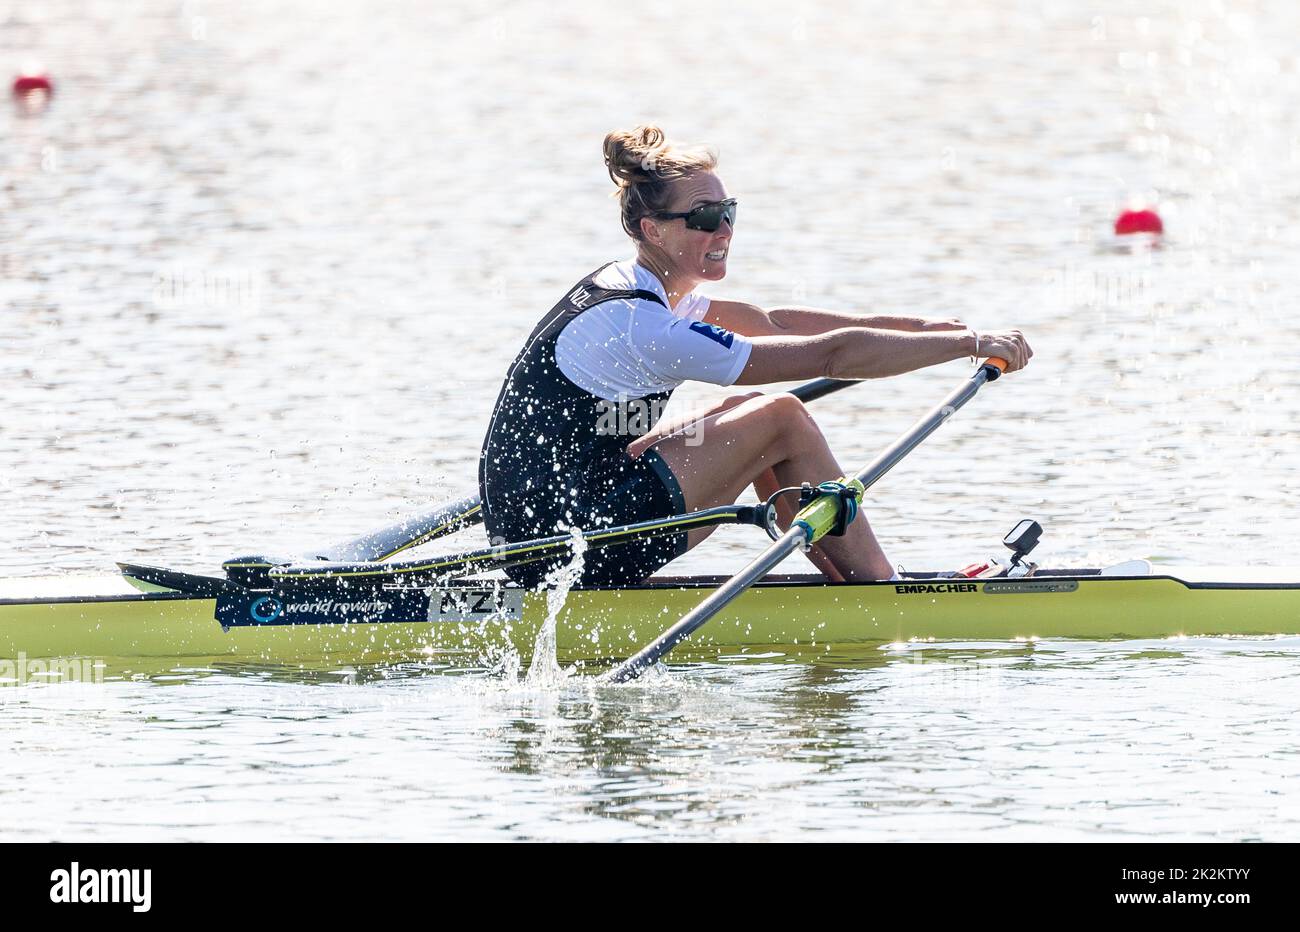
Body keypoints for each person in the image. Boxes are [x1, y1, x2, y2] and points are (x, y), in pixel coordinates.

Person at [479, 125, 1031, 588]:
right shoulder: (643, 324)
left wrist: (921, 328)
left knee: (748, 407)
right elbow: (832, 356)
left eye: (728, 211)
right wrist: (967, 346)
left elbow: (775, 324)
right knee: (779, 418)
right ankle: (882, 591)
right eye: (702, 216)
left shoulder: (638, 283)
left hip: (558, 516)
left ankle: (847, 584)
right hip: (567, 545)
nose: (723, 229)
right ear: (651, 229)